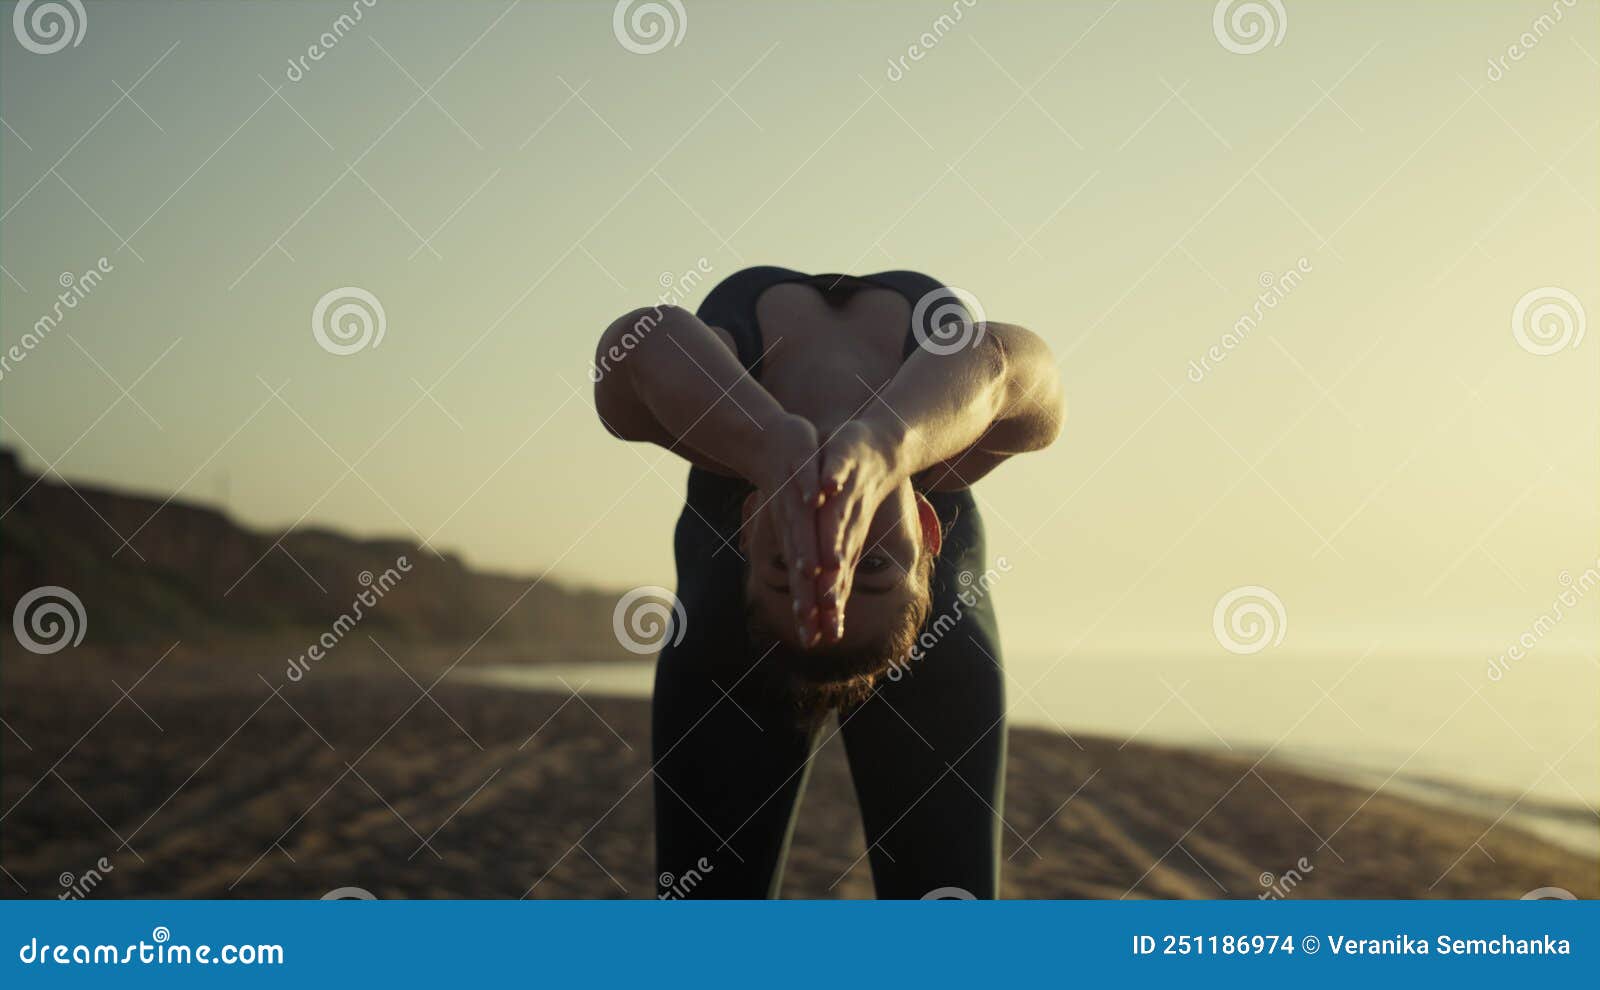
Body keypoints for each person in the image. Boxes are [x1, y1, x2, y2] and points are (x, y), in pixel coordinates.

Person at [593, 266, 1063, 898]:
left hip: (726, 628)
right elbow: (1012, 367)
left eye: (791, 566)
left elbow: (638, 346)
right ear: (926, 530)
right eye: (873, 568)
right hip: (939, 628)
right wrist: (888, 443)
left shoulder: (711, 432)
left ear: (752, 521)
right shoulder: (953, 453)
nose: (836, 549)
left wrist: (765, 444)